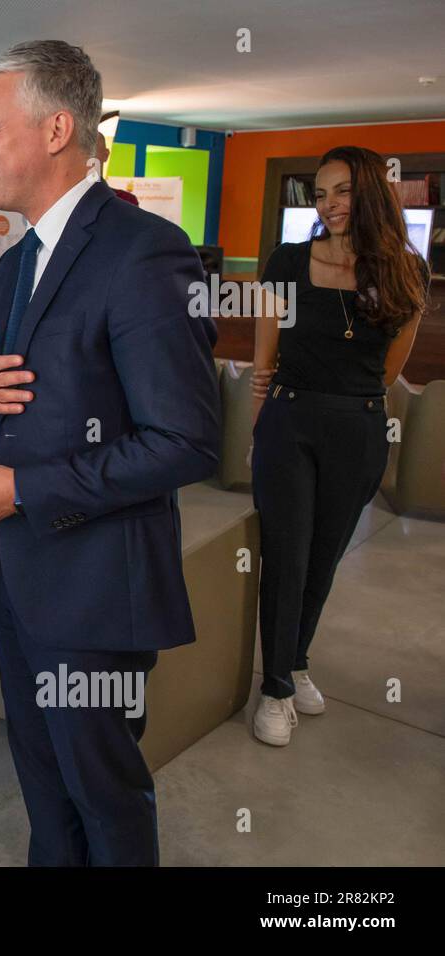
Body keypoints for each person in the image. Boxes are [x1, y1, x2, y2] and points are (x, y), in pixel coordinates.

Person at [0, 41, 220, 866]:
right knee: (42, 779)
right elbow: (11, 402)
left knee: (105, 794)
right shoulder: (20, 257)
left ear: (57, 128)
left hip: (97, 586)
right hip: (20, 572)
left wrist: (22, 487)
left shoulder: (144, 251)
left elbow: (186, 440)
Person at [248, 145, 427, 746]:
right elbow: (264, 360)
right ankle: (273, 690)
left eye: (343, 190)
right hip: (289, 422)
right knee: (287, 556)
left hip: (359, 428)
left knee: (323, 559)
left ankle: (295, 662)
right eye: (321, 193)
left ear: (372, 190)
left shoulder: (407, 271)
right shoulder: (287, 261)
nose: (330, 204)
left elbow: (386, 372)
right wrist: (257, 431)